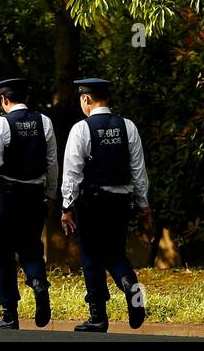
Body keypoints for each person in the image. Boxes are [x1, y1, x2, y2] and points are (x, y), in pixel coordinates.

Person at [60, 77, 152, 333]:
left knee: (91, 257)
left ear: (86, 98)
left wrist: (67, 206)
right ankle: (133, 291)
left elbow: (72, 173)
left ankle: (98, 316)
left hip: (93, 203)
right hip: (121, 203)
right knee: (115, 253)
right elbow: (138, 169)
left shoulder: (81, 129)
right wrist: (143, 204)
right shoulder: (128, 127)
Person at [0, 77, 57, 329]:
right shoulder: (44, 122)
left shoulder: (1, 124)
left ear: (4, 99)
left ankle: (9, 314)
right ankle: (38, 283)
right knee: (31, 248)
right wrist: (50, 195)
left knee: (4, 255)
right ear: (25, 98)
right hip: (34, 195)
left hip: (7, 195)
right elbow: (51, 164)